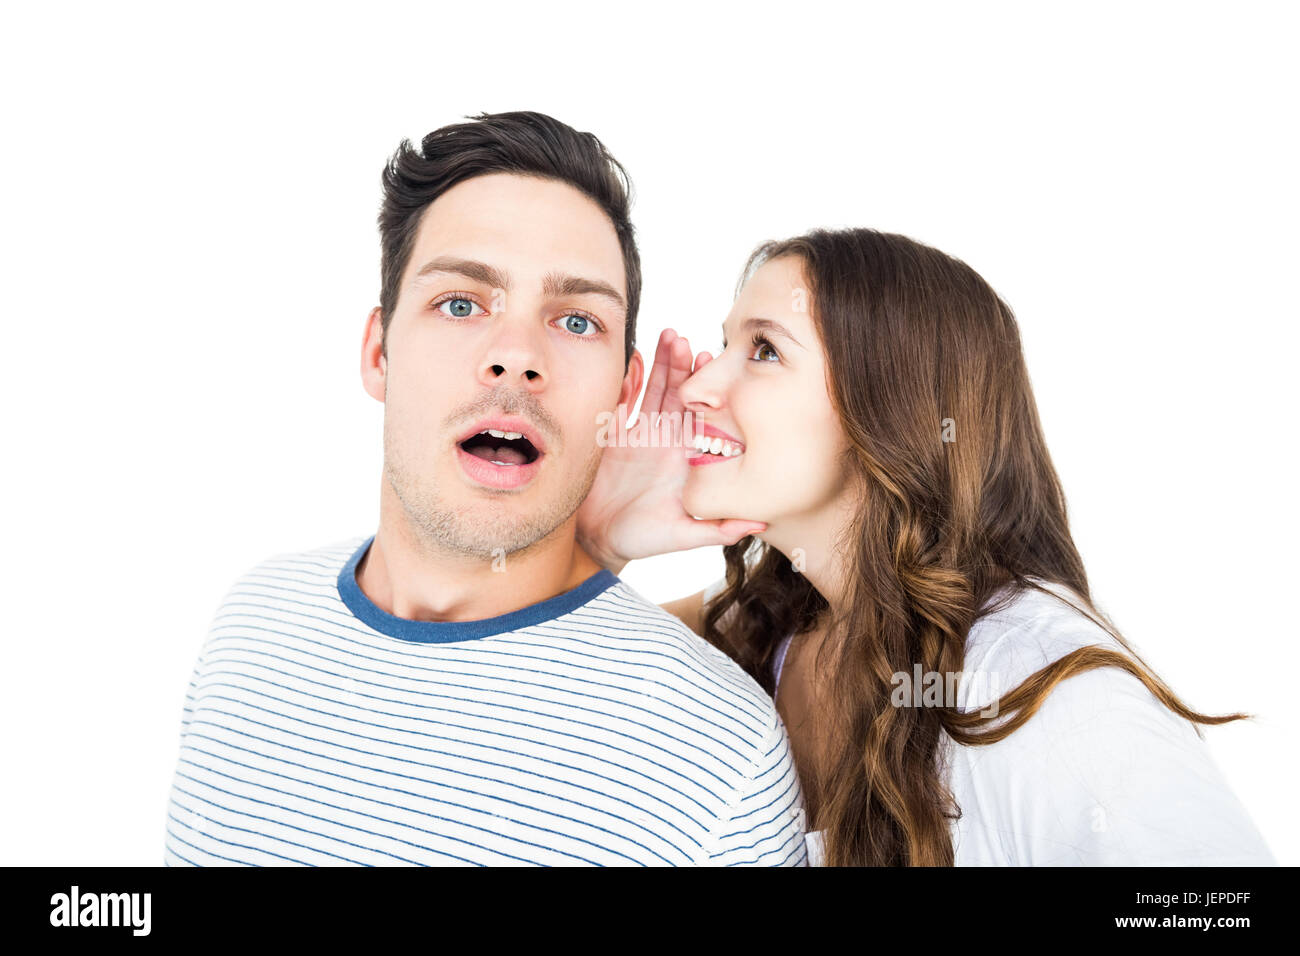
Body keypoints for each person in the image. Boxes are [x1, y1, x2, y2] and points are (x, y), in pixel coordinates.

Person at [163, 112, 806, 867]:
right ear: (379, 351)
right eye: (461, 303)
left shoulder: (719, 751)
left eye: (575, 319)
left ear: (624, 390)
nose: (516, 357)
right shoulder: (249, 625)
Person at [576, 227, 1277, 866]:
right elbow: (548, 669)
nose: (697, 385)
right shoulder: (781, 618)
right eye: (725, 343)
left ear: (887, 407)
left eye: (763, 351)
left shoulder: (1039, 684)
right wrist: (600, 542)